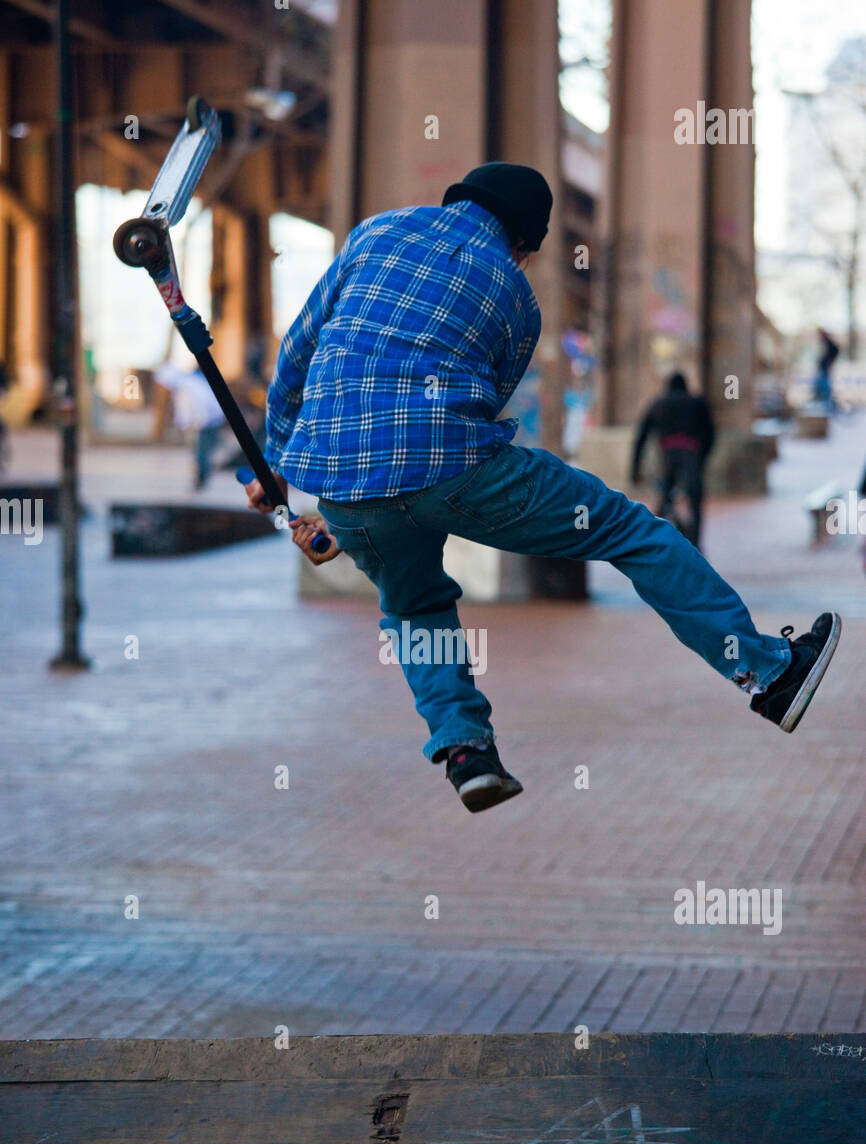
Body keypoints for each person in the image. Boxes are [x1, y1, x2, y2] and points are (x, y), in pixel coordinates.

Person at [245, 162, 841, 813]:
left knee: (415, 606)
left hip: (342, 491)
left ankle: (466, 749)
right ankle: (768, 672)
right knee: (632, 532)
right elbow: (491, 404)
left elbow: (299, 352)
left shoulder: (373, 233)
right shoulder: (516, 296)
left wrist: (272, 464)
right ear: (525, 245)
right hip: (457, 470)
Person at [630, 371, 714, 549]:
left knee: (666, 496)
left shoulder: (659, 403)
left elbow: (641, 437)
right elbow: (710, 433)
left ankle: (661, 539)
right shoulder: (697, 403)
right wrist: (702, 458)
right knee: (695, 499)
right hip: (691, 454)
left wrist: (635, 469)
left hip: (668, 454)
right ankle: (695, 541)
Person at [814, 328, 839, 409]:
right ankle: (825, 402)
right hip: (823, 367)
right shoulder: (824, 341)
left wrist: (830, 362)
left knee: (825, 385)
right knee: (821, 384)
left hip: (825, 367)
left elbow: (835, 350)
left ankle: (828, 404)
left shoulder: (828, 342)